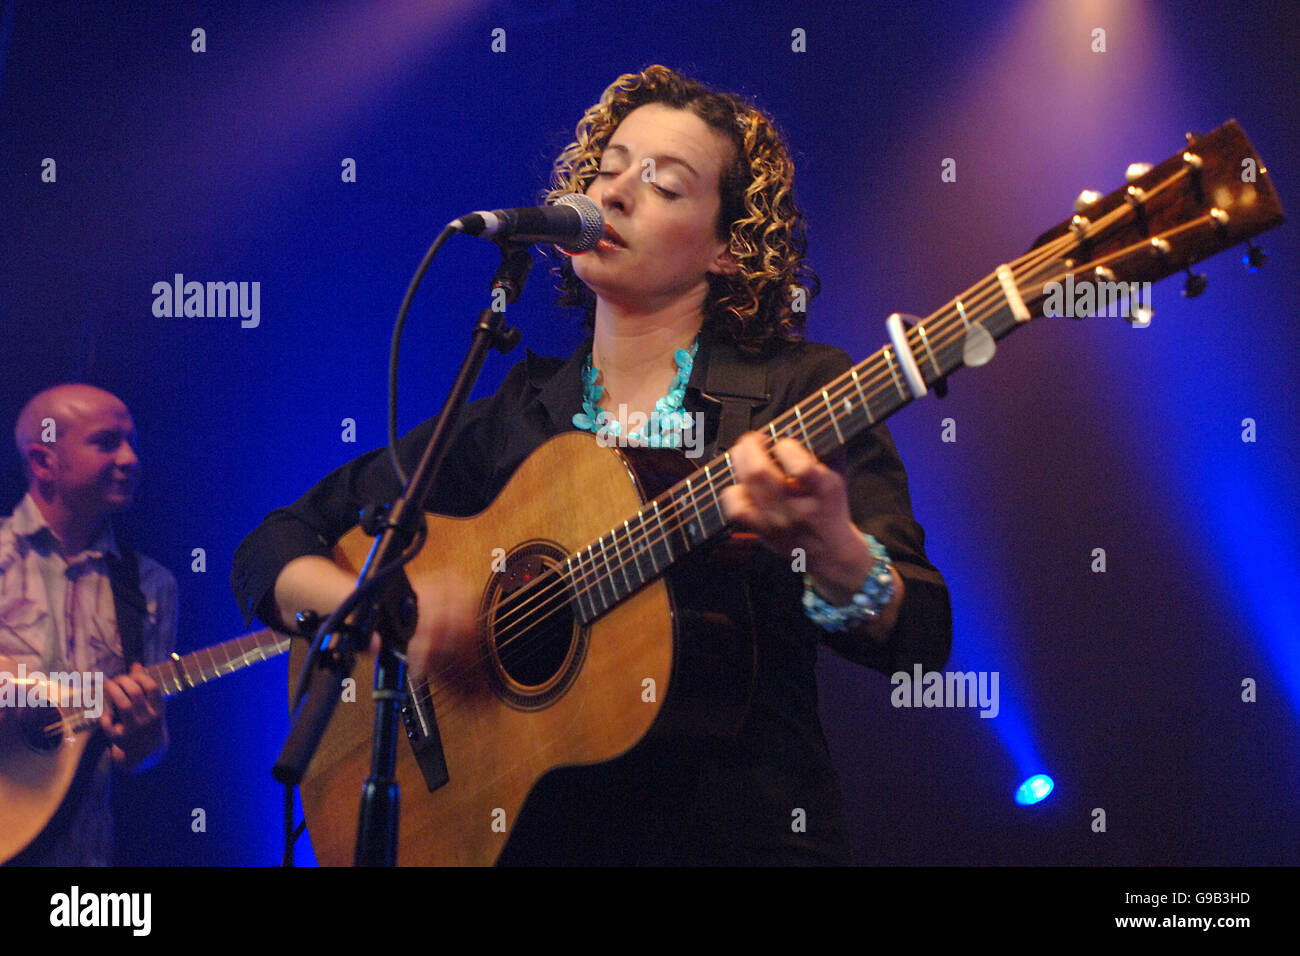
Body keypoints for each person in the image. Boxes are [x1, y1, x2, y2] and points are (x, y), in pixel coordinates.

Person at [232, 64, 951, 865]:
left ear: (726, 247)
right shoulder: (523, 411)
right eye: (607, 172)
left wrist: (832, 546)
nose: (612, 196)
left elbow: (919, 636)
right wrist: (380, 614)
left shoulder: (800, 392)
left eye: (665, 186)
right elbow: (274, 545)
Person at [0, 384, 176, 866]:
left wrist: (143, 739)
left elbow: (146, 753)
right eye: (107, 442)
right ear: (42, 462)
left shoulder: (149, 586)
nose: (130, 458)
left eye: (132, 442)